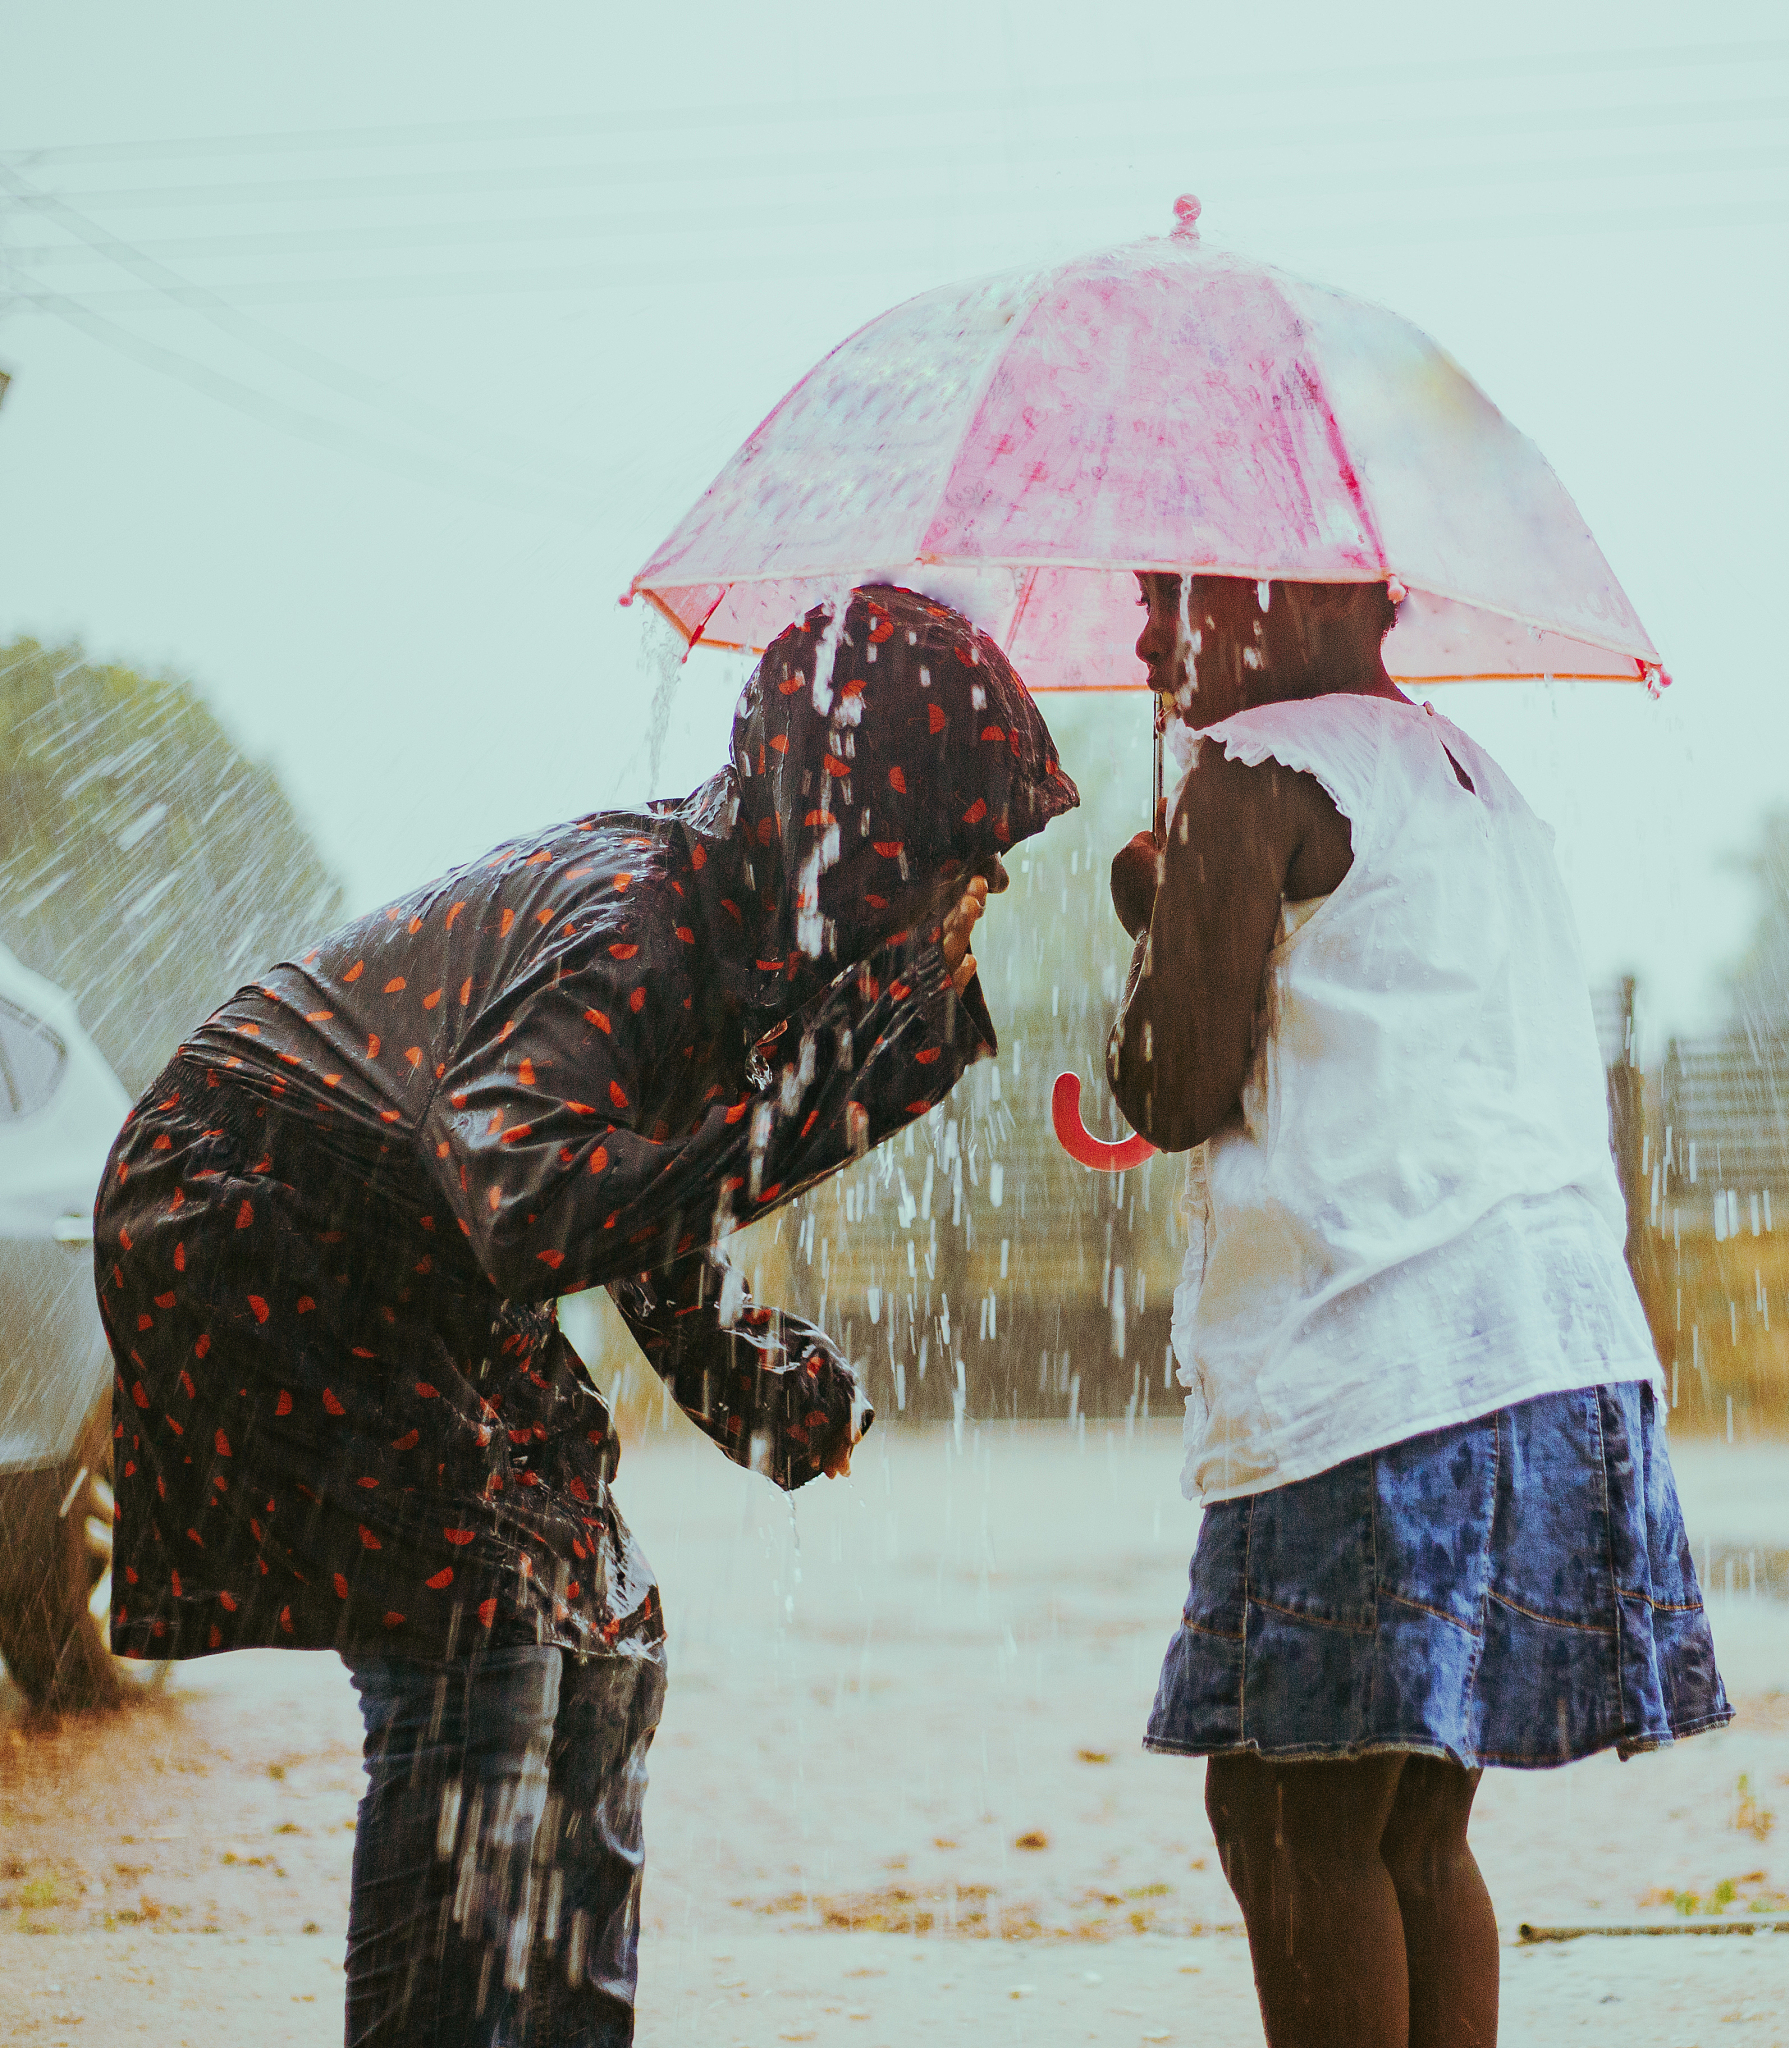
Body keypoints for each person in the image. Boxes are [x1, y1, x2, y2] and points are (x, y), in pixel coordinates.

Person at [95, 584, 1077, 2047]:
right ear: (861, 832)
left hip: (390, 1237)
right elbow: (529, 1193)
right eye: (961, 850)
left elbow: (632, 1195)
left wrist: (752, 1378)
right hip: (254, 1205)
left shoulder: (739, 923)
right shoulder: (639, 924)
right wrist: (820, 1098)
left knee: (604, 1632)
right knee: (479, 1621)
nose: (980, 889)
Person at [1106, 573, 1728, 2048]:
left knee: (1285, 1816)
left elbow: (1171, 1089)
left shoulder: (1254, 772)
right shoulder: (1468, 777)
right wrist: (1184, 903)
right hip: (1549, 1359)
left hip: (1378, 1368)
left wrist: (1156, 924)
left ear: (1271, 601)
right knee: (1412, 1827)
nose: (1145, 640)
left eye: (1169, 599)